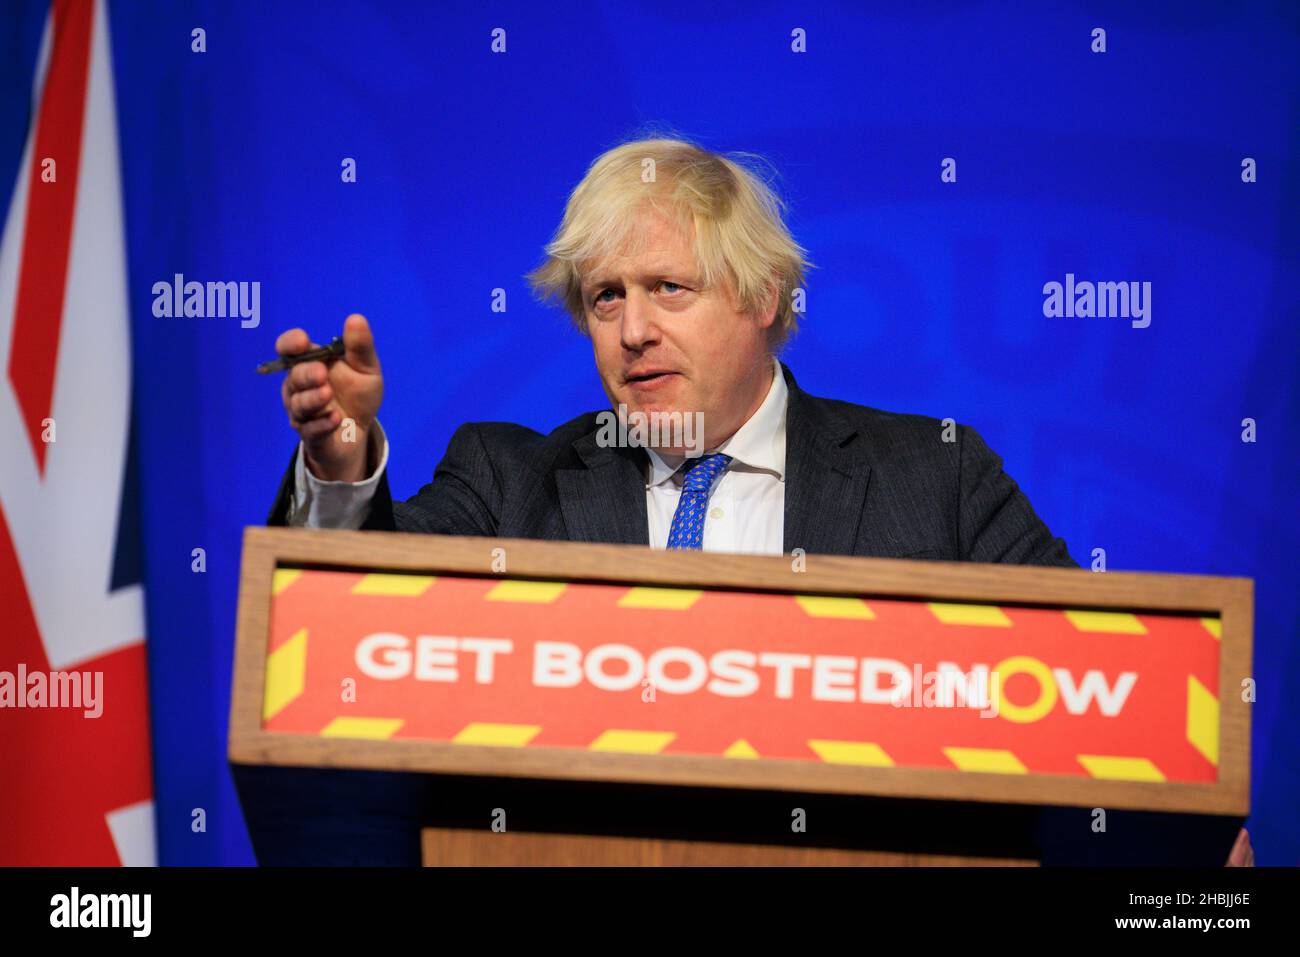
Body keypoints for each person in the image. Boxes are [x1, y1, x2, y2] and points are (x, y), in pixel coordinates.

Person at [263, 136, 1250, 866]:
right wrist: (343, 469)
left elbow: (1111, 705)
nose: (633, 330)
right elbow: (354, 651)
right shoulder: (507, 481)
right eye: (605, 299)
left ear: (764, 296)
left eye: (668, 289)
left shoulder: (934, 479)